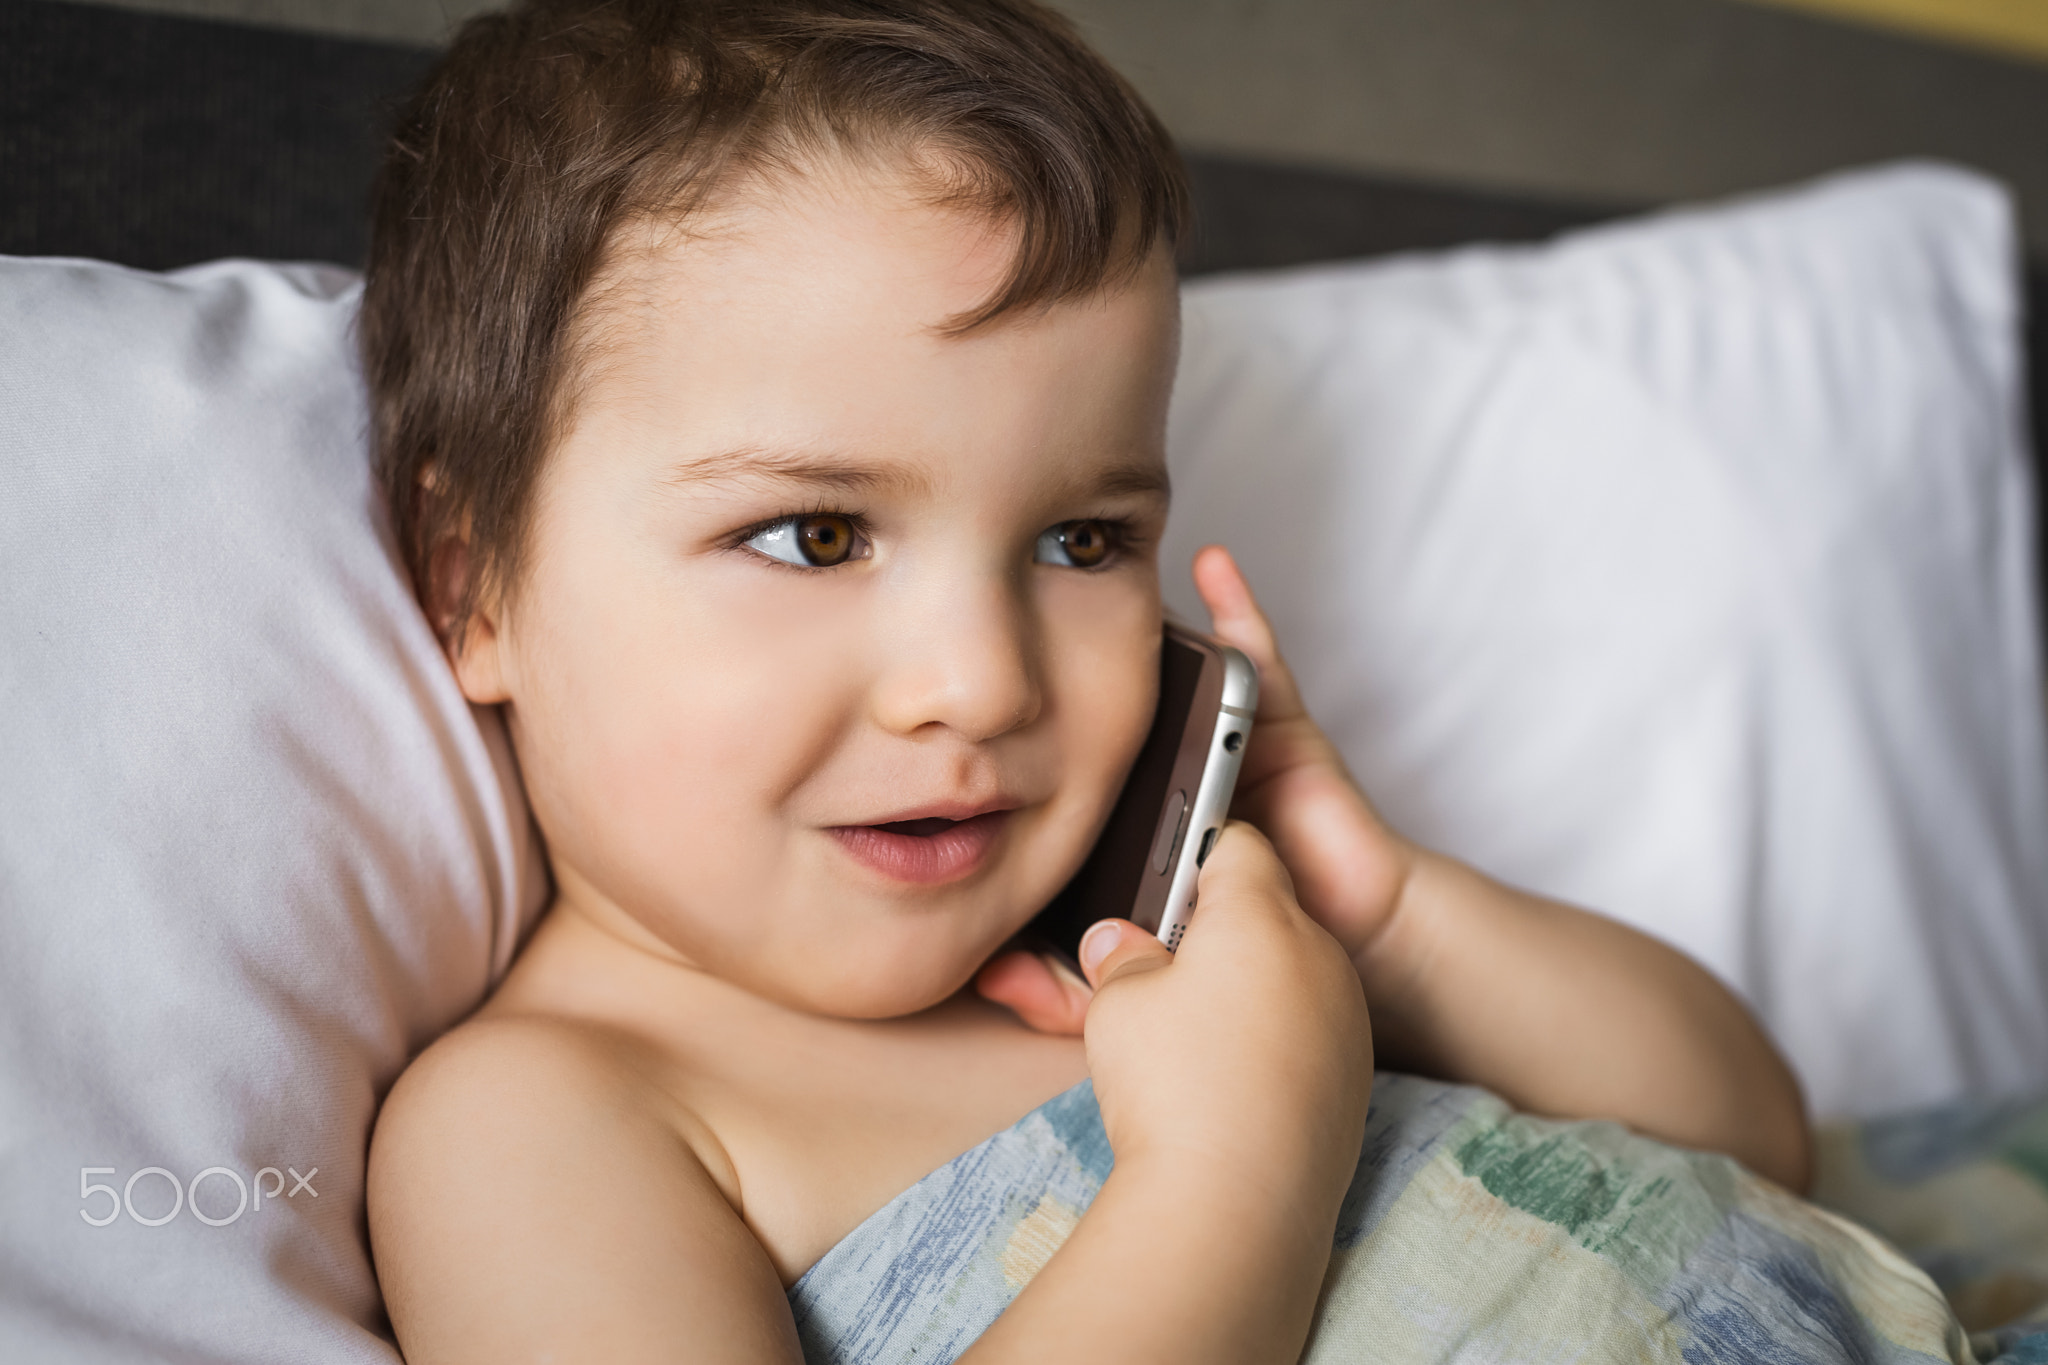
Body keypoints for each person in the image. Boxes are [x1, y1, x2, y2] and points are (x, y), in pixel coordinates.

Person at [360, 2, 1810, 1359]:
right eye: (817, 535)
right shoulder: (538, 1124)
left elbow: (1757, 1138)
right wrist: (1233, 1166)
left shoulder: (1192, 950)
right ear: (471, 579)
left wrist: (1397, 926)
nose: (982, 683)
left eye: (1081, 537)